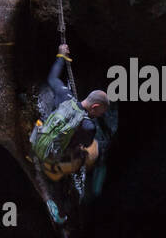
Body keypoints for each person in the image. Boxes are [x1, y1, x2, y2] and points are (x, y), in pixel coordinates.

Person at [30, 44, 109, 180]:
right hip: (53, 157)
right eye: (100, 113)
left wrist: (61, 56)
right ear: (94, 106)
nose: (99, 116)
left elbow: (52, 78)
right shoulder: (89, 126)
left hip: (37, 140)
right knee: (92, 150)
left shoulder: (65, 96)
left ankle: (34, 153)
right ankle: (55, 170)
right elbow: (85, 144)